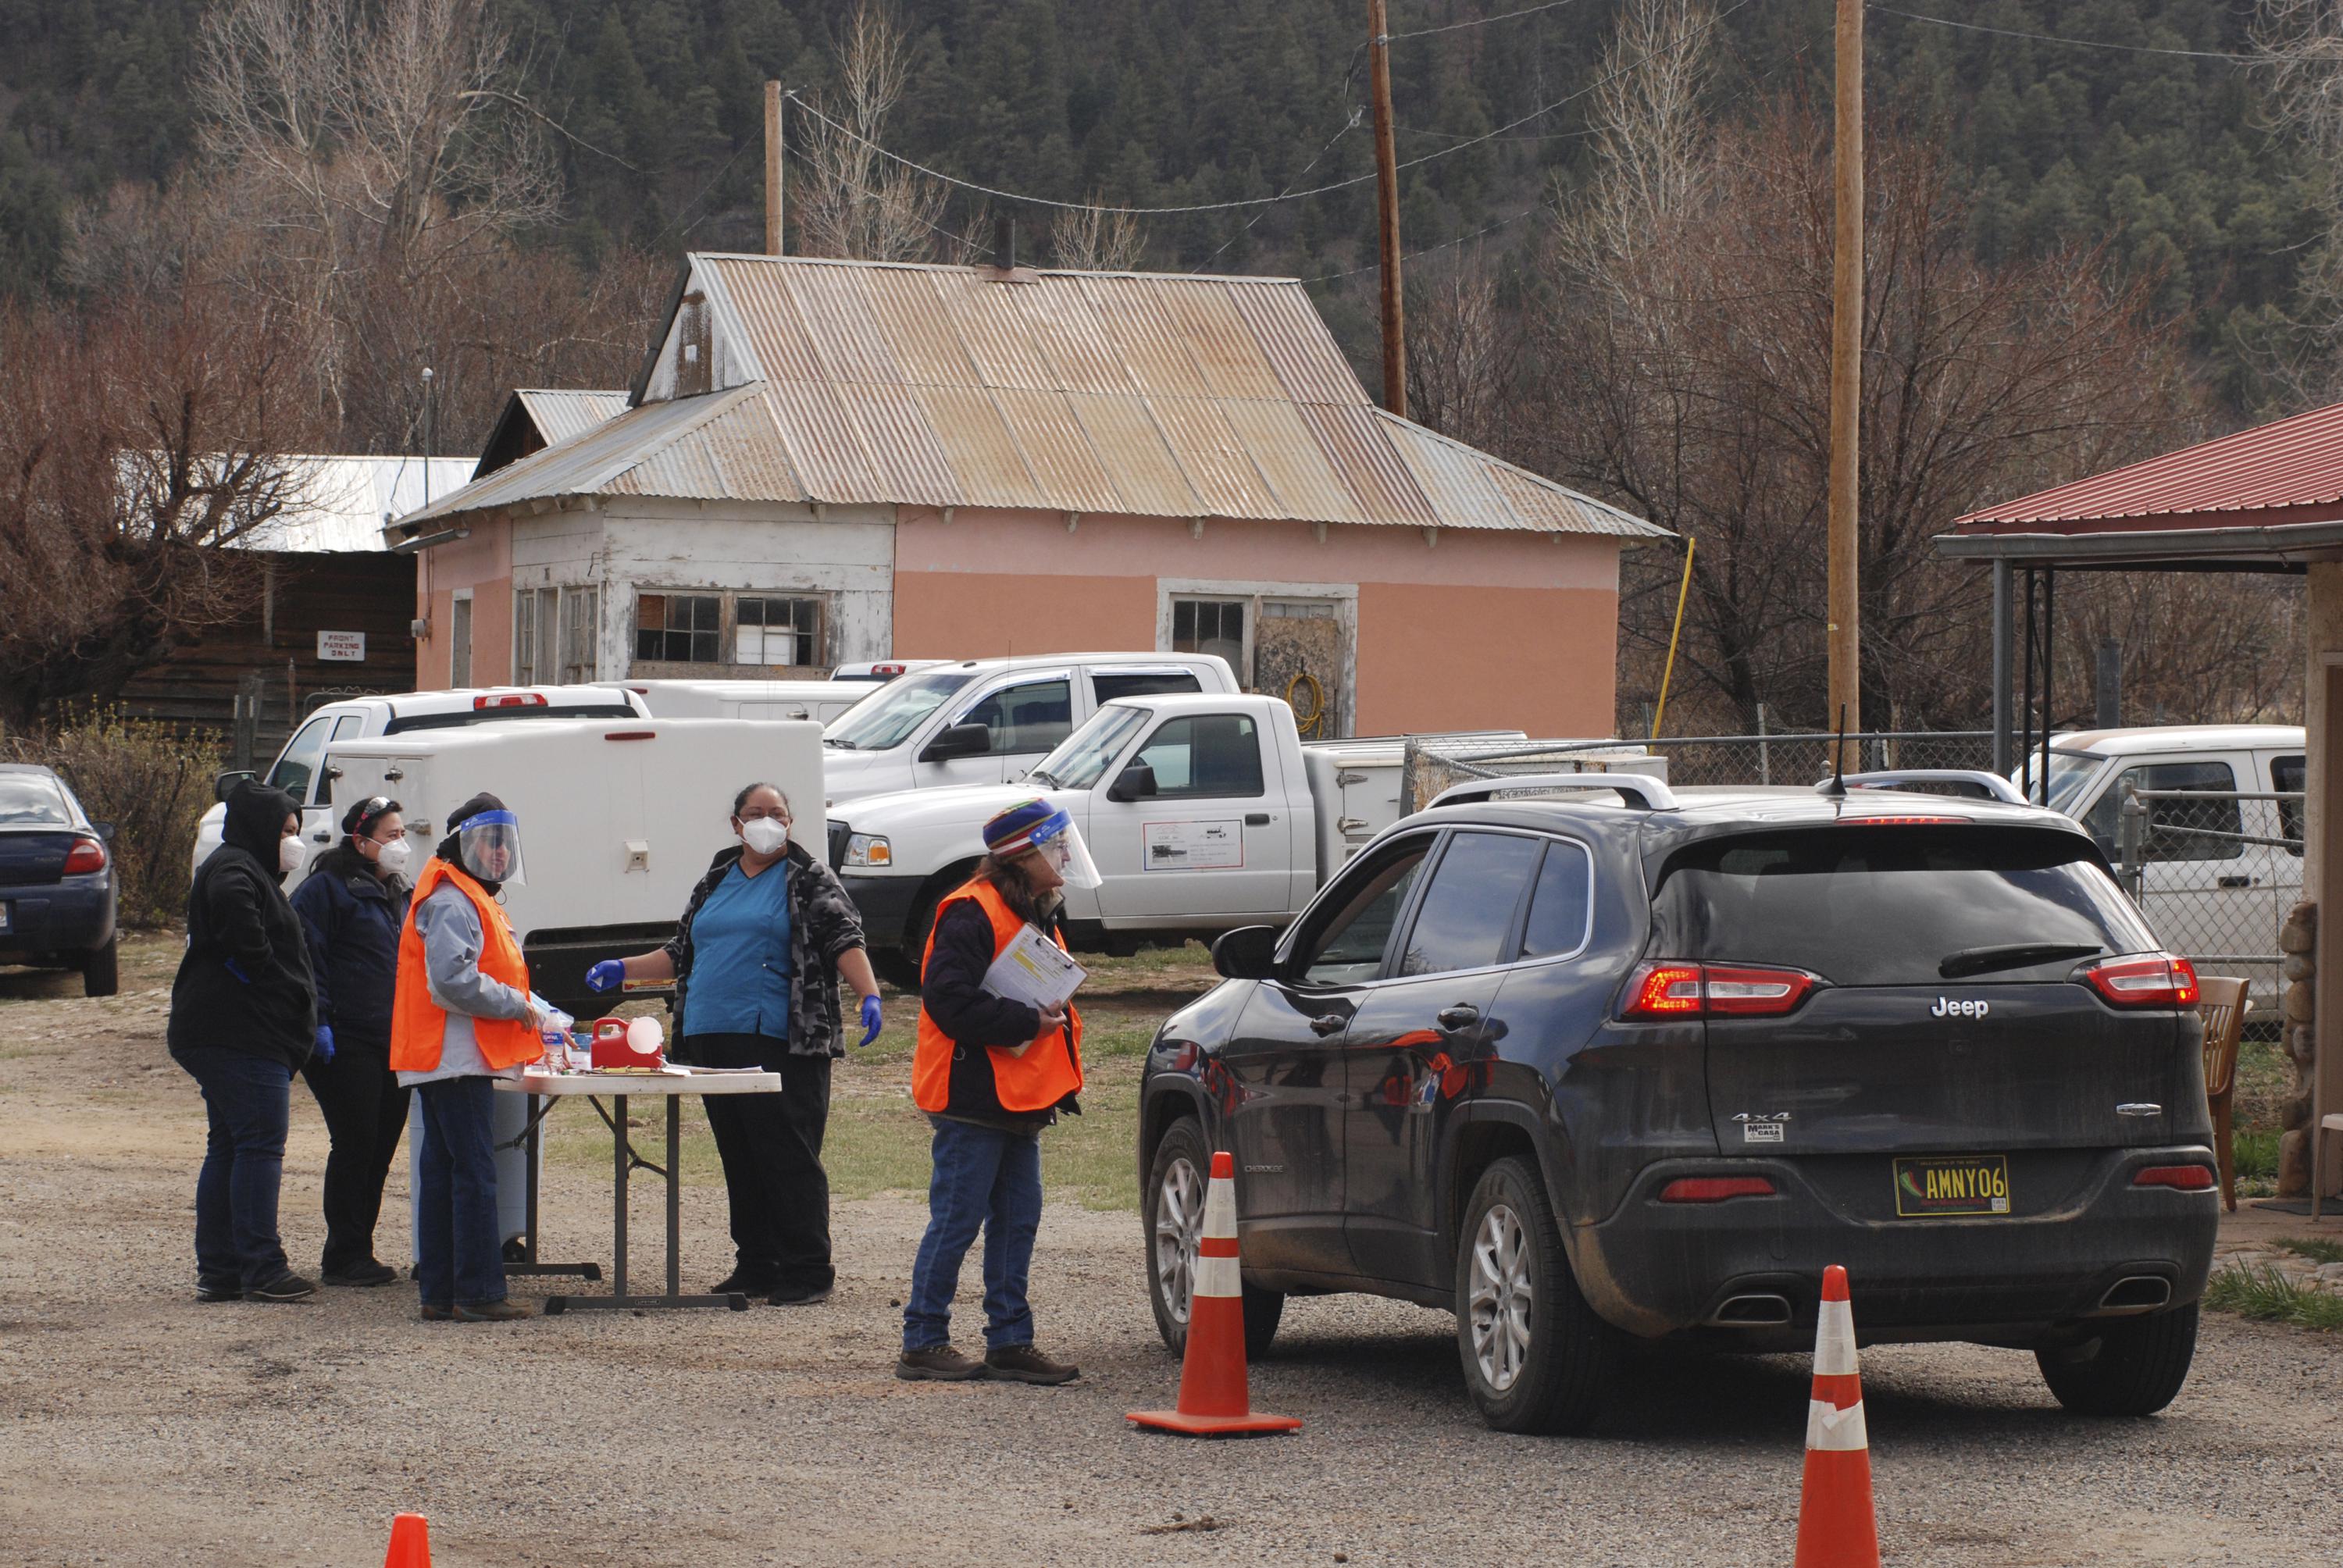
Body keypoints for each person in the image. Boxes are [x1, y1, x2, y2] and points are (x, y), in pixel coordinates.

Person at [588, 783, 883, 1306]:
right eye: (755, 813)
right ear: (735, 824)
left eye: (777, 813)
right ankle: (757, 1264)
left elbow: (843, 937)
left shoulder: (807, 877)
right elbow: (680, 951)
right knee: (741, 1154)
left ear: (790, 823)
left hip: (781, 1037)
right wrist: (622, 970)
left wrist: (869, 994)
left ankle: (808, 1267)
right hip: (711, 1035)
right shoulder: (717, 879)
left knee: (787, 1153)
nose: (767, 821)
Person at [897, 798, 1094, 1384]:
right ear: (1023, 855)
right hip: (972, 1096)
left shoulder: (1036, 909)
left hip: (1019, 1096)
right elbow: (950, 1002)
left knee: (1017, 1221)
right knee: (957, 1220)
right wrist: (1026, 1023)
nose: (1065, 857)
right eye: (1055, 847)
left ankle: (1010, 1342)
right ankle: (922, 1341)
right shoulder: (969, 911)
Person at [390, 793, 551, 1323]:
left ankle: (441, 1293)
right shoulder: (453, 898)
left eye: (504, 843)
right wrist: (519, 1006)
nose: (499, 853)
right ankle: (479, 1292)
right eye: (488, 841)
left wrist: (533, 1008)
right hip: (453, 1058)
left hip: (447, 1057)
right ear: (462, 843)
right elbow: (454, 982)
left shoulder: (464, 894)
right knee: (473, 1175)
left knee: (445, 1173)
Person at [169, 779, 319, 1303]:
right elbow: (242, 934)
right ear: (260, 827)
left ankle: (222, 1268)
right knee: (258, 1145)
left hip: (229, 1033)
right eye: (285, 830)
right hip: (237, 1037)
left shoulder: (245, 867)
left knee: (232, 1145)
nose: (293, 841)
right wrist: (279, 983)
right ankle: (260, 1266)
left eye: (296, 831)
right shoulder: (235, 869)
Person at [288, 795, 413, 1287]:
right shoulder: (324, 891)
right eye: (390, 835)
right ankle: (343, 1254)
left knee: (380, 1145)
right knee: (355, 1142)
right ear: (361, 841)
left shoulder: (399, 892)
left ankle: (360, 1248)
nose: (399, 844)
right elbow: (305, 961)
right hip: (346, 1040)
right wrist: (318, 1021)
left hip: (393, 1041)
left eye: (402, 833)